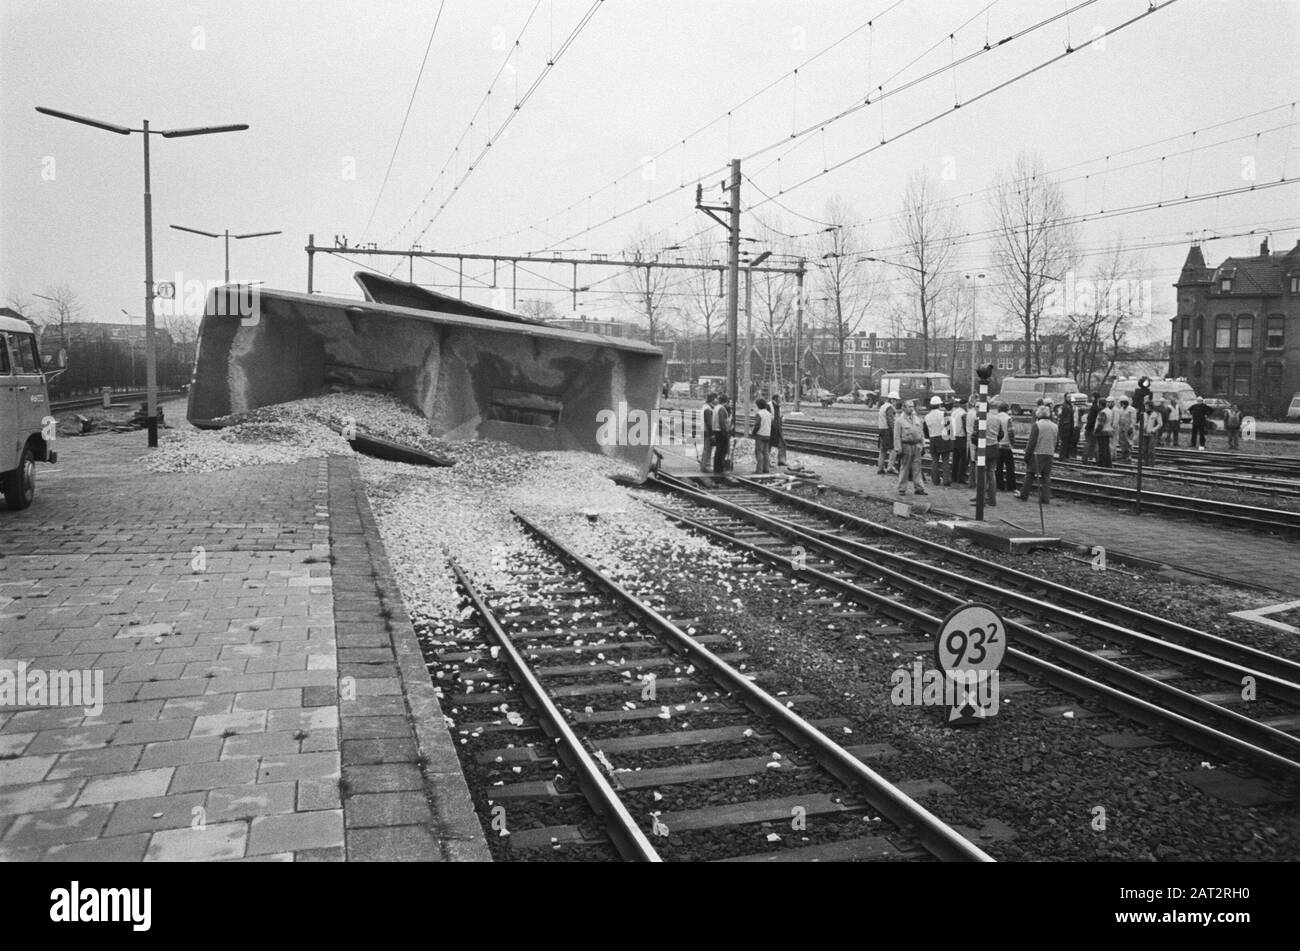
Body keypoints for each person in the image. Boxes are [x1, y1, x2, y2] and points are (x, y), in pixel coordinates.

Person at [1019, 406, 1059, 504]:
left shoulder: (1037, 425)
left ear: (1038, 414)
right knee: (1046, 476)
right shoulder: (1055, 426)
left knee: (1030, 474)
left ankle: (1023, 495)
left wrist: (1026, 457)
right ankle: (1045, 498)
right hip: (1049, 453)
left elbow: (1031, 443)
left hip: (1037, 453)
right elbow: (1056, 441)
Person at [970, 402, 1000, 507]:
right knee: (991, 473)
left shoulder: (979, 419)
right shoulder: (996, 418)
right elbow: (1001, 434)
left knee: (981, 474)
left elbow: (974, 436)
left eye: (978, 408)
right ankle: (992, 499)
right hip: (994, 448)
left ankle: (981, 499)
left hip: (982, 448)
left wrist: (976, 444)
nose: (977, 410)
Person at [894, 400, 927, 496]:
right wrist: (898, 448)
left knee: (917, 467)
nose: (911, 408)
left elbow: (921, 433)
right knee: (905, 467)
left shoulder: (917, 419)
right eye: (909, 406)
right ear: (903, 408)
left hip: (916, 445)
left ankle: (919, 488)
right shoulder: (899, 420)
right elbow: (896, 436)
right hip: (906, 445)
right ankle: (902, 488)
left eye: (912, 406)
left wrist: (923, 445)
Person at [923, 396, 952, 487]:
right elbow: (949, 428)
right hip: (943, 438)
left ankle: (935, 481)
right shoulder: (944, 414)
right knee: (945, 460)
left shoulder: (927, 417)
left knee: (934, 460)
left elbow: (925, 431)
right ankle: (946, 480)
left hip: (933, 439)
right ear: (939, 404)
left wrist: (930, 436)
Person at [995, 402, 1017, 492]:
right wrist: (1012, 443)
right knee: (1010, 467)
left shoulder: (995, 417)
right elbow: (1011, 432)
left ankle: (999, 486)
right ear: (1007, 409)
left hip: (997, 445)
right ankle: (1010, 486)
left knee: (998, 467)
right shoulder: (1008, 418)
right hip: (1006, 446)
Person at [751, 398, 773, 474]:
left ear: (758, 405)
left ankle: (759, 470)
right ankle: (766, 469)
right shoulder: (769, 414)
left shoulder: (759, 414)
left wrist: (753, 432)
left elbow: (757, 425)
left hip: (760, 435)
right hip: (767, 435)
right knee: (766, 452)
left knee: (759, 452)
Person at [950, 397, 968, 485]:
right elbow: (965, 427)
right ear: (965, 405)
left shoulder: (953, 412)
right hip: (961, 437)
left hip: (954, 437)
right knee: (963, 459)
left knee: (955, 458)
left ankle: (953, 477)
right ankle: (961, 478)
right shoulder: (964, 414)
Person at [877, 398, 897, 474]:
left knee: (883, 450)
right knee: (893, 449)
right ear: (892, 400)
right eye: (896, 400)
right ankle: (890, 467)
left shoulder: (883, 406)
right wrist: (893, 431)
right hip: (887, 430)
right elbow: (890, 420)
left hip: (881, 429)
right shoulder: (890, 407)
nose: (896, 402)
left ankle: (880, 468)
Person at [712, 396, 732, 473]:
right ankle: (719, 468)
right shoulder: (722, 409)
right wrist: (725, 432)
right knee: (722, 450)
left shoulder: (716, 407)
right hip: (721, 431)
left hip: (716, 431)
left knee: (718, 450)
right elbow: (722, 422)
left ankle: (717, 468)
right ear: (726, 401)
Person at [699, 393, 717, 472]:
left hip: (704, 430)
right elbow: (709, 423)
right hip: (707, 431)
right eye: (716, 398)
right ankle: (706, 466)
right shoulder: (708, 409)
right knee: (708, 449)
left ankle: (704, 466)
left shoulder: (705, 407)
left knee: (706, 449)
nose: (717, 400)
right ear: (713, 399)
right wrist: (712, 434)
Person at [1095, 398, 1114, 468]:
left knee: (1102, 449)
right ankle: (1108, 464)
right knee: (1107, 449)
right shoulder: (1110, 411)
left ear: (1100, 404)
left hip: (1102, 432)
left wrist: (1096, 431)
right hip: (1108, 431)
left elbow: (1101, 423)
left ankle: (1102, 464)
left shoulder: (1102, 412)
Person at [1140, 400, 1161, 465]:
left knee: (1151, 449)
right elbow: (1142, 422)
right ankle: (1145, 462)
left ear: (1150, 407)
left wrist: (1153, 430)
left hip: (1152, 434)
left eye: (1147, 406)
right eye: (1145, 406)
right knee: (1145, 449)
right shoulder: (1144, 414)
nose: (1145, 408)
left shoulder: (1157, 414)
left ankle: (1151, 463)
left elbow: (1160, 424)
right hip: (1145, 433)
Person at [1114, 398, 1135, 462]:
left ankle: (1129, 455)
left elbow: (1133, 419)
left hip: (1128, 428)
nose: (1120, 404)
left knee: (1128, 441)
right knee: (1122, 441)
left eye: (1121, 403)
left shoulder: (1131, 409)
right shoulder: (1120, 410)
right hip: (1121, 427)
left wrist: (1131, 427)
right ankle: (1123, 454)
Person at [769, 393, 788, 466]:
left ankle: (781, 460)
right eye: (780, 398)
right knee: (768, 445)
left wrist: (782, 418)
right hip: (771, 429)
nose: (781, 400)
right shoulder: (769, 405)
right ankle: (767, 462)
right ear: (776, 398)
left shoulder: (778, 407)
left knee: (782, 444)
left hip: (777, 429)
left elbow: (780, 415)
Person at [1082, 394, 1101, 463]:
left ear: (1094, 398)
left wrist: (1088, 427)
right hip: (1094, 428)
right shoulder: (1098, 407)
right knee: (1095, 444)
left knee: (1089, 443)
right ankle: (1097, 459)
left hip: (1090, 428)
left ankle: (1085, 459)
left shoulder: (1093, 407)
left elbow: (1090, 418)